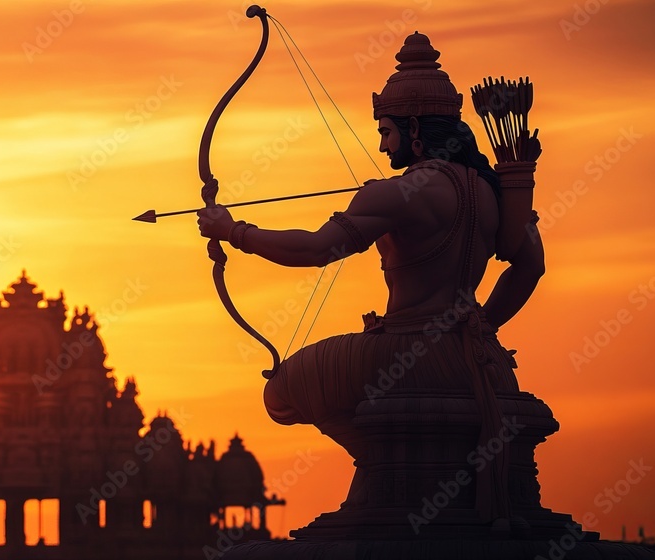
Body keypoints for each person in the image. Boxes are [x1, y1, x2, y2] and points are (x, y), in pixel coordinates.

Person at [196, 32, 543, 525]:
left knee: (281, 392)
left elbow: (317, 250)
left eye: (386, 130)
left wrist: (234, 231)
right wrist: (481, 327)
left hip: (404, 354)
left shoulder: (398, 193)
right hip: (476, 358)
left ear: (415, 128)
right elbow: (530, 266)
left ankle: (378, 467)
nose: (382, 144)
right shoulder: (492, 191)